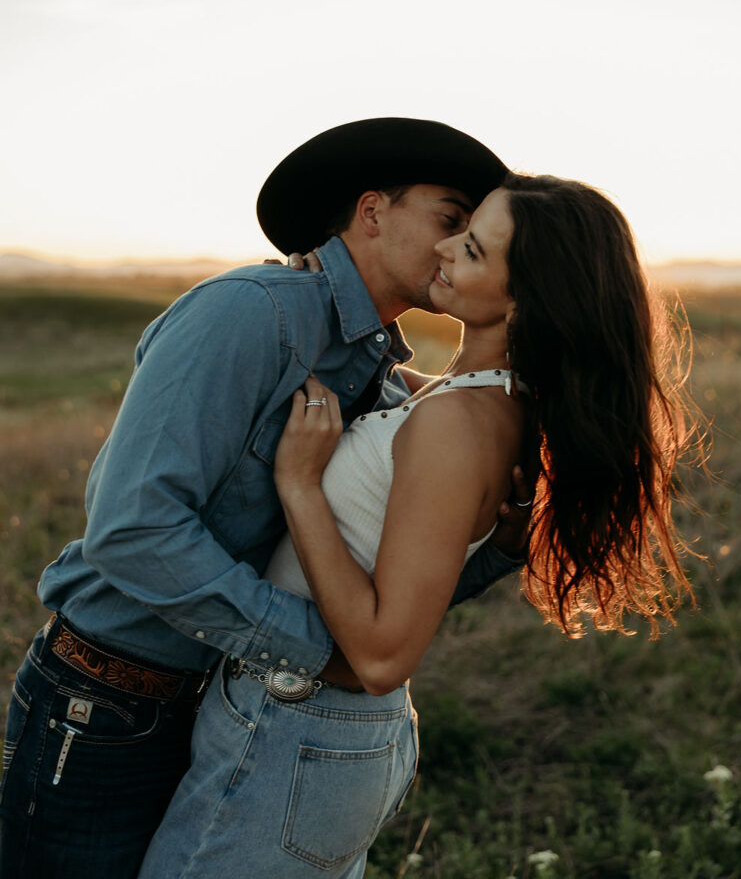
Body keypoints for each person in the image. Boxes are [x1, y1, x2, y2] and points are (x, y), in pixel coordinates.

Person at [0, 118, 532, 879]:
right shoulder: (251, 312)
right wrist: (315, 651)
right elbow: (132, 530)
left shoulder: (379, 372)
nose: (455, 248)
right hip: (108, 700)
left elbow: (360, 583)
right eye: (450, 220)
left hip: (233, 704)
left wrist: (498, 548)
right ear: (373, 210)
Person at [137, 172, 697, 879]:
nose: (443, 251)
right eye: (460, 231)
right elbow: (387, 395)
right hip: (311, 732)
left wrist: (301, 486)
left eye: (472, 250)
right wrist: (322, 276)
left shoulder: (457, 425)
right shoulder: (475, 399)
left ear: (526, 303)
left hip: (301, 726)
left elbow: (380, 655)